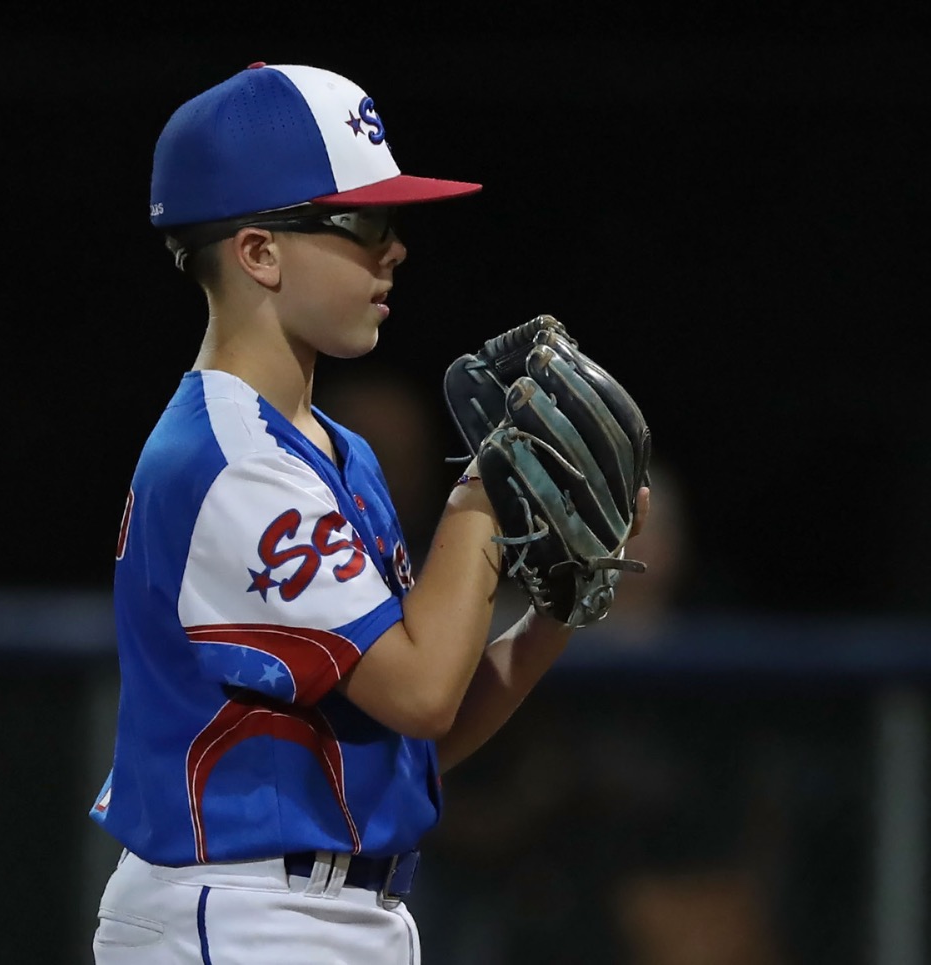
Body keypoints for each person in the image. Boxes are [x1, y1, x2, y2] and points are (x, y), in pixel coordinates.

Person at [87, 62, 650, 963]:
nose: (394, 249)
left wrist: (556, 610)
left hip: (331, 911)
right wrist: (486, 490)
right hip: (241, 913)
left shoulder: (330, 451)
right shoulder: (231, 461)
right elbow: (421, 691)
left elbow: (416, 734)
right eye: (362, 223)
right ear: (259, 252)